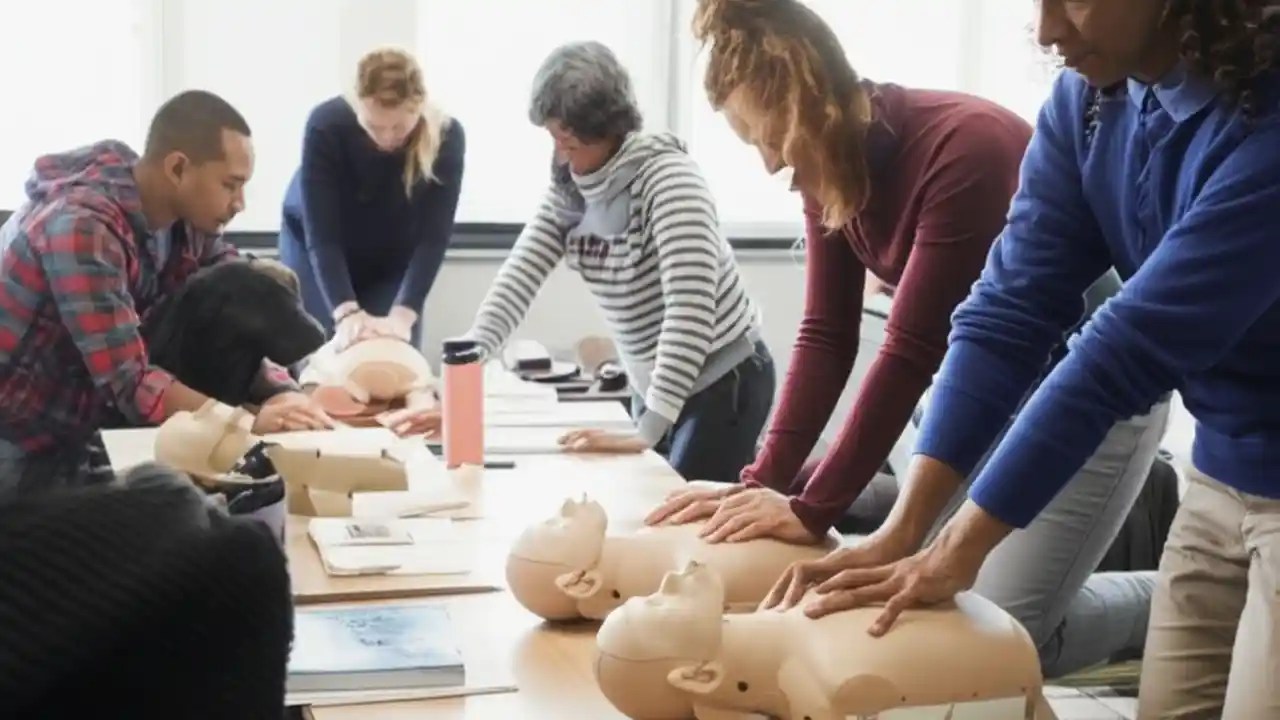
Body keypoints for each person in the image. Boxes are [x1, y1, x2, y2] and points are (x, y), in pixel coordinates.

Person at [761, 2, 1280, 717]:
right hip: (1218, 473)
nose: (1046, 31)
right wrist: (906, 530)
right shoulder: (1090, 104)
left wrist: (956, 549)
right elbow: (1007, 311)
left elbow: (1124, 351)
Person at [646, 0, 1173, 679]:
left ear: (813, 107)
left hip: (1091, 395)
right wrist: (761, 483)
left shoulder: (964, 149)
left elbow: (908, 350)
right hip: (984, 395)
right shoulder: (829, 168)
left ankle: (1173, 594)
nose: (771, 164)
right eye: (752, 144)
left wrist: (811, 509)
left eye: (770, 137)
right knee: (924, 598)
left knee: (1005, 636)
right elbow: (825, 335)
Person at [465, 41, 775, 485]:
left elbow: (689, 307)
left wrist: (649, 429)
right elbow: (520, 275)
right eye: (553, 139)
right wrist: (466, 364)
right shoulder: (570, 189)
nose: (559, 153)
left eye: (567, 141)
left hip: (723, 380)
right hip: (653, 384)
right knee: (651, 508)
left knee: (679, 520)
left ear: (606, 128)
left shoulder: (668, 179)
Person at [0, 89, 332, 495]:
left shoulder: (185, 219)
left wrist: (281, 392)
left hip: (85, 410)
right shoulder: (80, 227)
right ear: (177, 168)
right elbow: (128, 380)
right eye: (230, 185)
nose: (240, 203)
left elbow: (238, 306)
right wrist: (243, 423)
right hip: (23, 434)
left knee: (240, 283)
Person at [278, 46, 465, 351]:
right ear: (357, 107)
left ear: (418, 108)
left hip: (391, 253)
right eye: (374, 126)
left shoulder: (447, 136)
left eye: (400, 127)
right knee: (323, 350)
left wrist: (404, 315)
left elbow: (433, 237)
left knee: (392, 351)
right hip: (316, 247)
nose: (387, 138)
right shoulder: (326, 126)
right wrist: (346, 312)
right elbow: (322, 236)